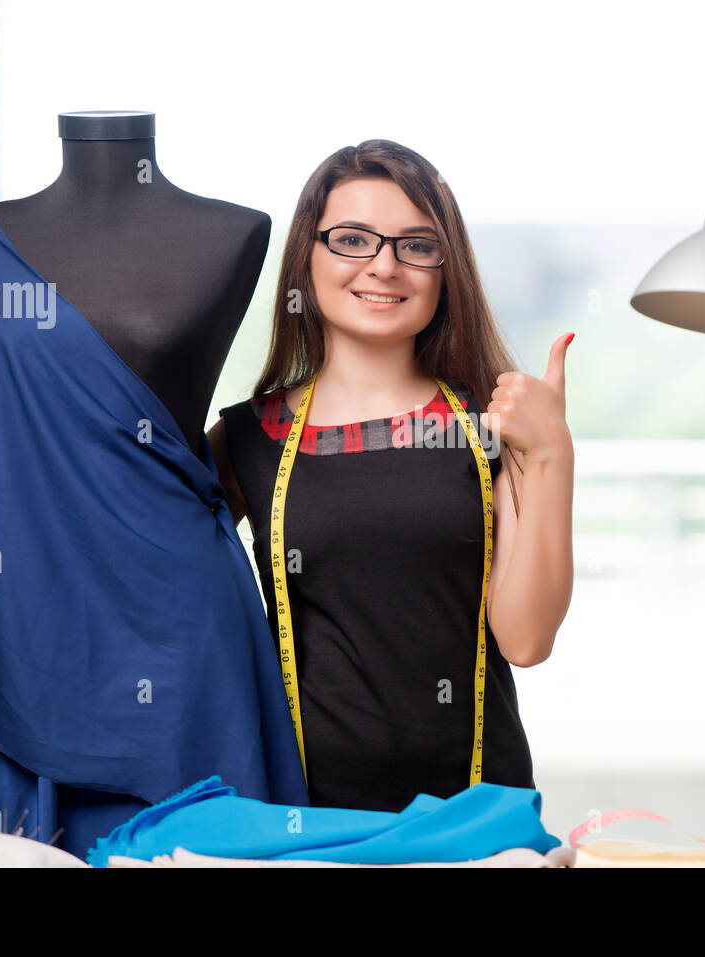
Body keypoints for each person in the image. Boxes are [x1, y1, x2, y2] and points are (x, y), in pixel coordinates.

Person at [211, 139, 574, 812]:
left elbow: (525, 638)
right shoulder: (246, 439)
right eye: (353, 239)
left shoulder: (494, 426)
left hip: (471, 823)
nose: (384, 265)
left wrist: (551, 454)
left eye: (416, 245)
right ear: (307, 257)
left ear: (445, 269)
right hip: (298, 827)